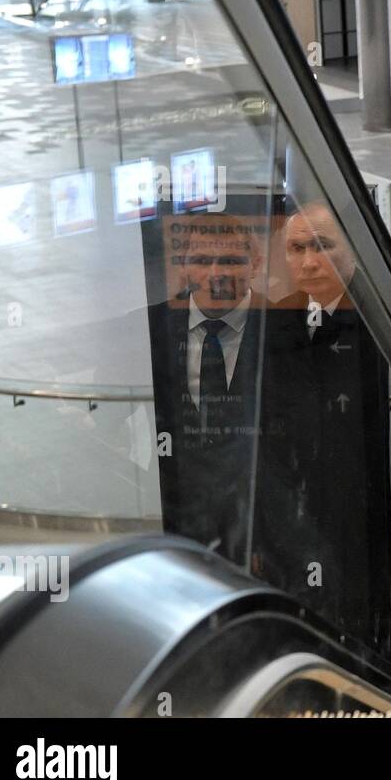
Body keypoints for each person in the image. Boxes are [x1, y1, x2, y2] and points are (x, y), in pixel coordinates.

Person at [253, 202, 391, 663]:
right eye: (297, 249)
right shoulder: (272, 321)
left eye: (323, 246)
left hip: (359, 516)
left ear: (352, 251)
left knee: (357, 631)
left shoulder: (384, 323)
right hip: (291, 514)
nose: (310, 262)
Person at [145, 215, 267, 563]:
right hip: (174, 522)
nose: (216, 274)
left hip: (263, 527)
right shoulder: (148, 328)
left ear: (255, 265)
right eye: (201, 261)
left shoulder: (290, 329)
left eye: (230, 260)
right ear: (183, 266)